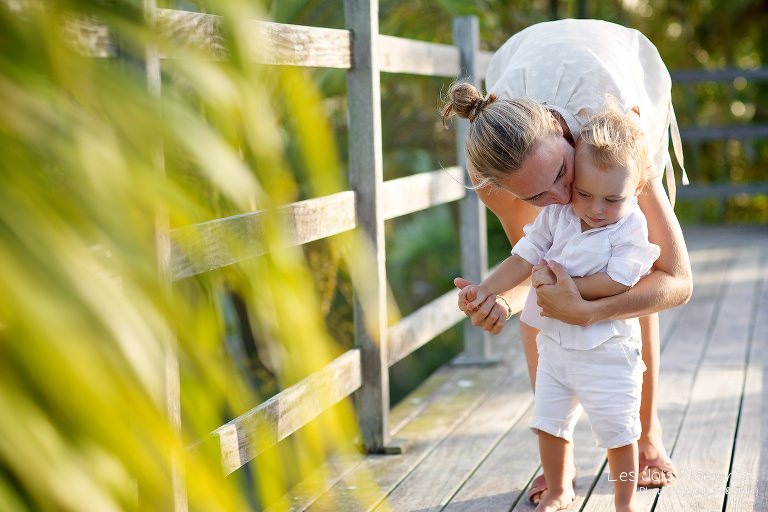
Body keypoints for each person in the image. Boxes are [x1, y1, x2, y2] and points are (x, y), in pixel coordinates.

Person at [441, 19, 693, 505]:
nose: (560, 200)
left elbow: (674, 280)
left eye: (561, 173)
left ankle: (647, 433)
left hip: (617, 64)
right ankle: (558, 458)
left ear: (561, 130)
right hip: (521, 58)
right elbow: (539, 273)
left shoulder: (618, 137)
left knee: (635, 270)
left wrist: (592, 310)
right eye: (537, 196)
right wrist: (499, 301)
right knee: (550, 285)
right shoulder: (494, 177)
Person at [460, 106, 659, 512]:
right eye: (584, 193)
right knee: (549, 424)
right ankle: (557, 487)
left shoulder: (630, 226)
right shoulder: (560, 213)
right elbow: (523, 256)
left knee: (620, 434)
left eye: (612, 199)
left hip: (607, 351)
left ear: (637, 188)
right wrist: (486, 289)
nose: (595, 208)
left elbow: (621, 279)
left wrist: (567, 289)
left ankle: (624, 502)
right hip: (555, 347)